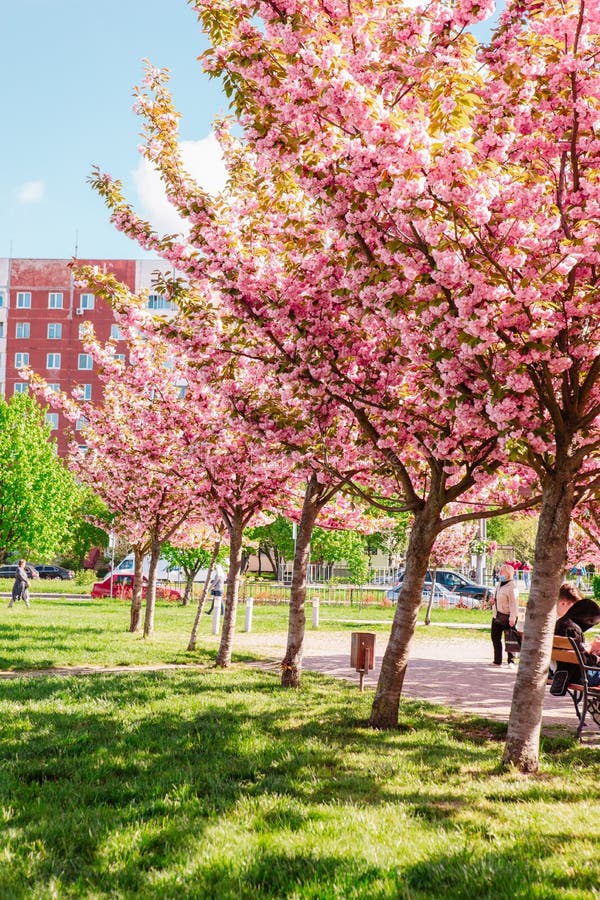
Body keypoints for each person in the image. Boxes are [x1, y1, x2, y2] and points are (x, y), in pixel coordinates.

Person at [554, 583, 600, 686]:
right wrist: (595, 656)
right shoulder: (571, 628)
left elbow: (575, 654)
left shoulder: (560, 624)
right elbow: (582, 659)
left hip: (563, 673)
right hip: (579, 676)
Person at [491, 562, 519, 667]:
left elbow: (514, 603)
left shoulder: (512, 586)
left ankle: (511, 661)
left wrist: (513, 617)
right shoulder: (499, 584)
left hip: (508, 616)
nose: (499, 574)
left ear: (507, 573)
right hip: (497, 615)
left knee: (510, 638)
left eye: (501, 572)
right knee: (495, 637)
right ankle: (497, 660)